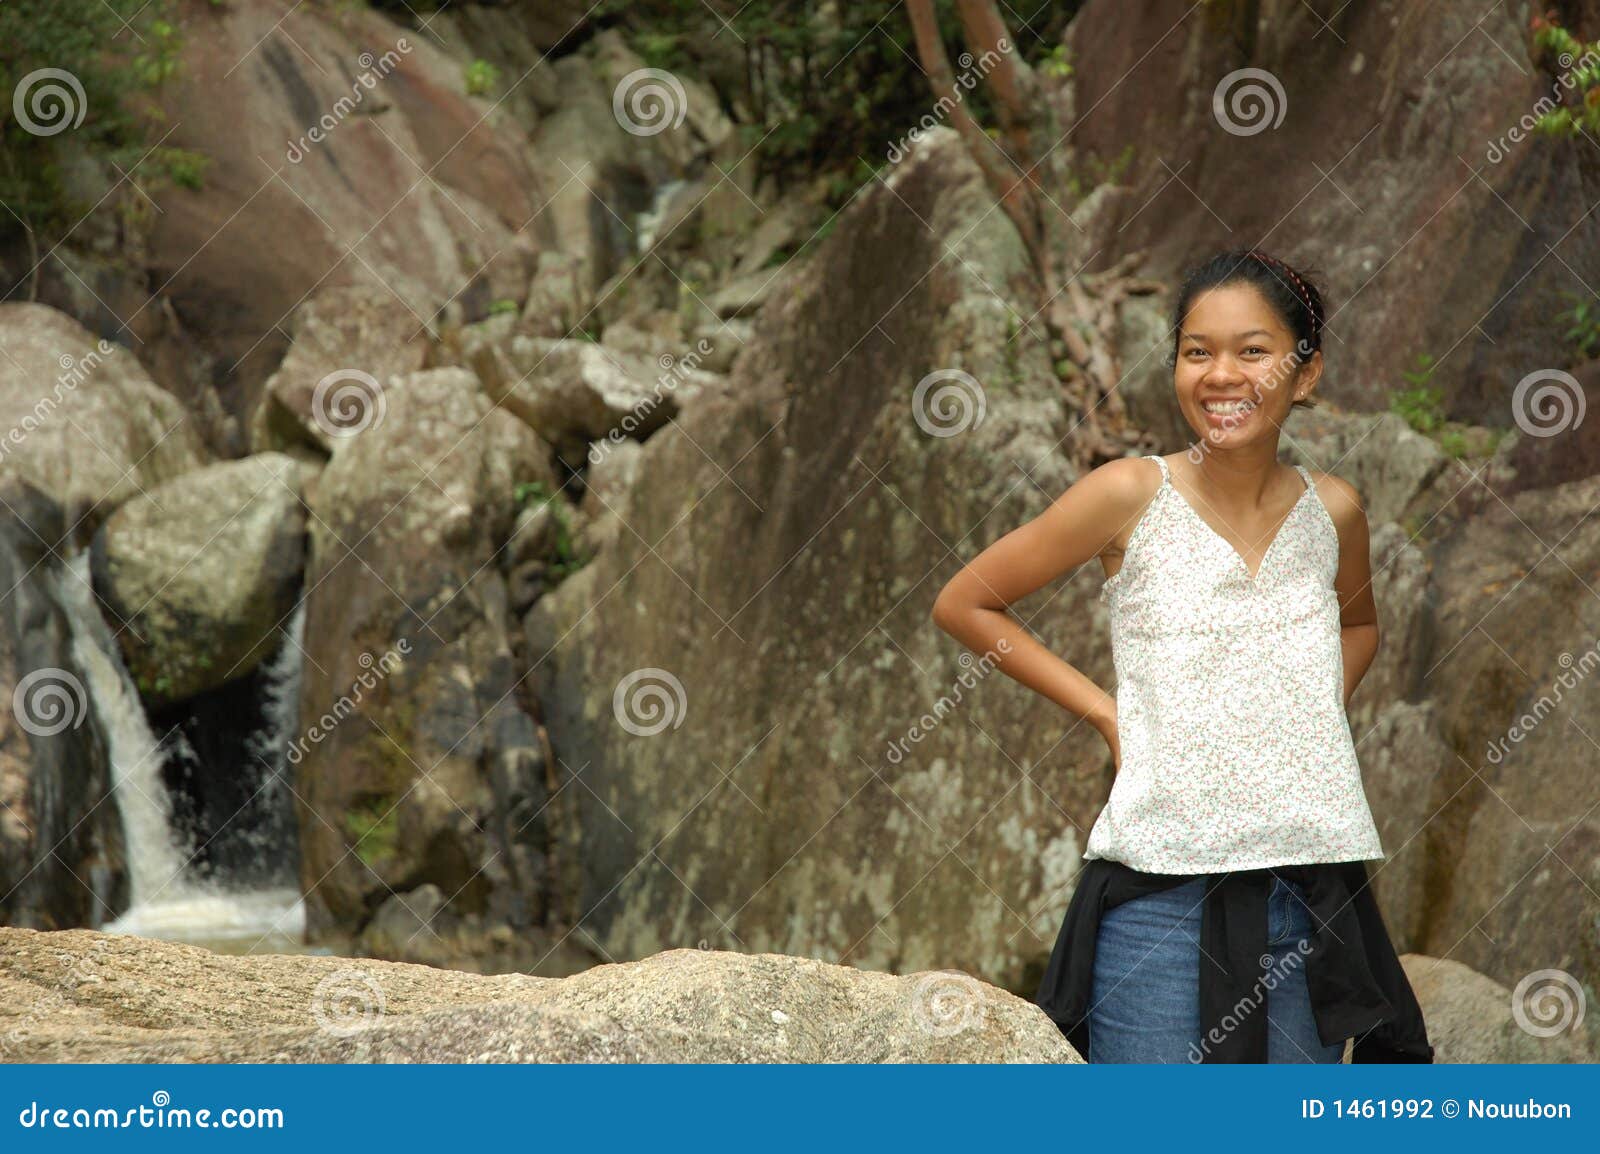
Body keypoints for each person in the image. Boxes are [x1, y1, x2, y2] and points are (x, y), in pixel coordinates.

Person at [930, 247, 1432, 1063]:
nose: (1221, 374)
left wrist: (1305, 709)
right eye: (1198, 351)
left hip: (1306, 895)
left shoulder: (1333, 511)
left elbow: (1359, 625)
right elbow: (967, 601)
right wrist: (1105, 713)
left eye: (1253, 351)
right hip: (1162, 902)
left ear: (1305, 375)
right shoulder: (1129, 494)